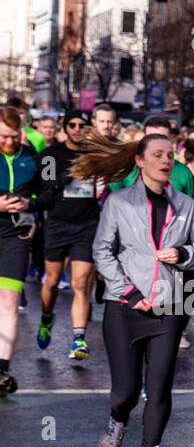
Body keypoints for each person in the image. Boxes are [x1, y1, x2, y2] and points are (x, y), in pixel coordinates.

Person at [82, 133, 194, 447]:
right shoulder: (119, 203)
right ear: (139, 160)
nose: (166, 161)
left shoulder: (186, 205)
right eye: (158, 155)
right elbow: (102, 251)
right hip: (125, 308)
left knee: (160, 385)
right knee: (126, 391)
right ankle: (118, 419)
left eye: (170, 155)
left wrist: (182, 255)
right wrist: (130, 293)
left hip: (168, 307)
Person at [36, 110, 99, 361]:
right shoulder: (51, 155)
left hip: (87, 224)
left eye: (82, 125)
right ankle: (46, 317)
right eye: (72, 124)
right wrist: (69, 176)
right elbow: (46, 186)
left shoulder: (95, 155)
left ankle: (78, 339)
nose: (76, 129)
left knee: (81, 283)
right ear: (64, 127)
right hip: (58, 224)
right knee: (52, 281)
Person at [0, 105, 51, 396]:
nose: (9, 142)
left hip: (14, 237)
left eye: (14, 135)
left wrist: (29, 205)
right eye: (4, 136)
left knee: (8, 303)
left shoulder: (34, 157)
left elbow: (49, 195)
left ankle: (2, 369)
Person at [108, 116, 194, 204]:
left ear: (172, 138)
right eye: (151, 138)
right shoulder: (127, 167)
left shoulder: (183, 172)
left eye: (163, 138)